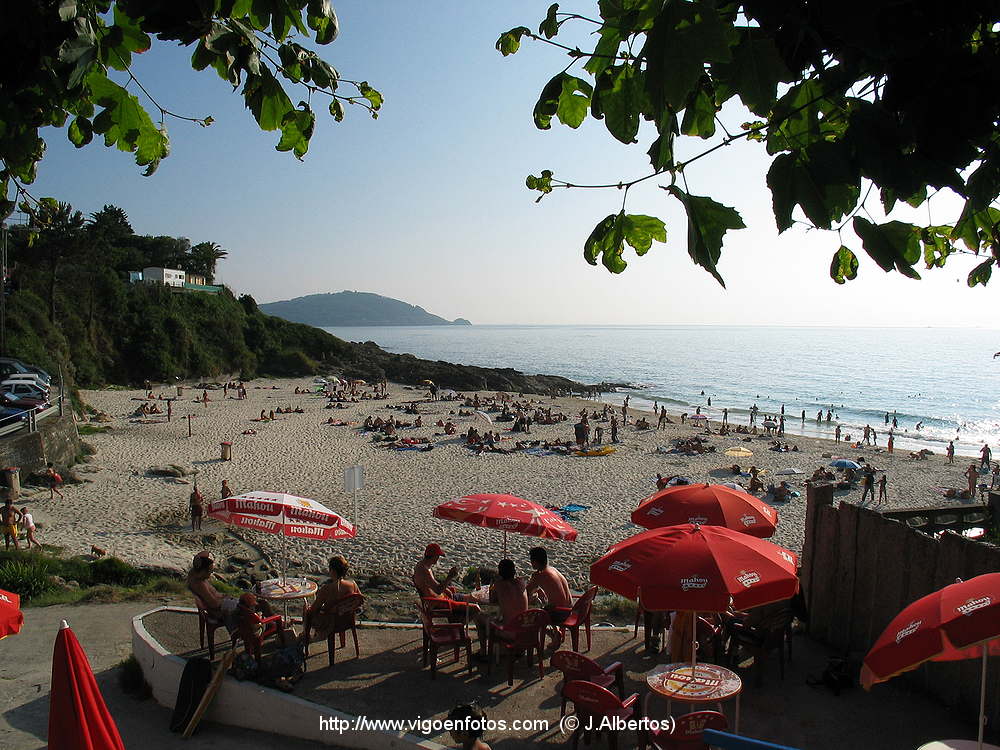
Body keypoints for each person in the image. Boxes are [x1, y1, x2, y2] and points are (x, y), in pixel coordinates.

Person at [186, 551, 286, 638]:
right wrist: (225, 597)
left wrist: (224, 596)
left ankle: (273, 624)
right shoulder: (200, 584)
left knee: (259, 602)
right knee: (259, 603)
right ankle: (273, 626)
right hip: (222, 610)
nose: (211, 573)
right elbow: (214, 604)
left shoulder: (195, 575)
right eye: (210, 570)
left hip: (224, 605)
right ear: (203, 570)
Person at [413, 543, 489, 658]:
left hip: (443, 598)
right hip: (440, 603)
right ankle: (460, 630)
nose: (438, 559)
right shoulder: (424, 570)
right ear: (433, 556)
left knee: (471, 598)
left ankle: (458, 626)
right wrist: (450, 577)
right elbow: (438, 590)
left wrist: (447, 589)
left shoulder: (422, 566)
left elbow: (434, 587)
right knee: (475, 608)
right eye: (437, 557)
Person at [301, 555, 362, 649]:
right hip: (347, 619)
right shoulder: (352, 584)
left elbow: (313, 609)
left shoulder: (327, 589)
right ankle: (314, 635)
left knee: (306, 611)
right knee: (322, 610)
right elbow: (360, 601)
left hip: (330, 623)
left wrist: (309, 609)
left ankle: (306, 637)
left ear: (332, 571)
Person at [526, 547, 572, 625]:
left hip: (559, 613)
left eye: (531, 560)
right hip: (569, 610)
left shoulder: (539, 575)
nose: (531, 563)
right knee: (545, 606)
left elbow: (526, 593)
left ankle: (542, 635)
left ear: (535, 561)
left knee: (530, 617)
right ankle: (554, 633)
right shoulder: (553, 570)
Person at [489, 559, 528, 626]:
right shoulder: (521, 582)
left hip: (509, 628)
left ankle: (486, 636)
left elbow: (492, 600)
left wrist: (491, 588)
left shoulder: (499, 584)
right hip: (523, 626)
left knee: (479, 617)